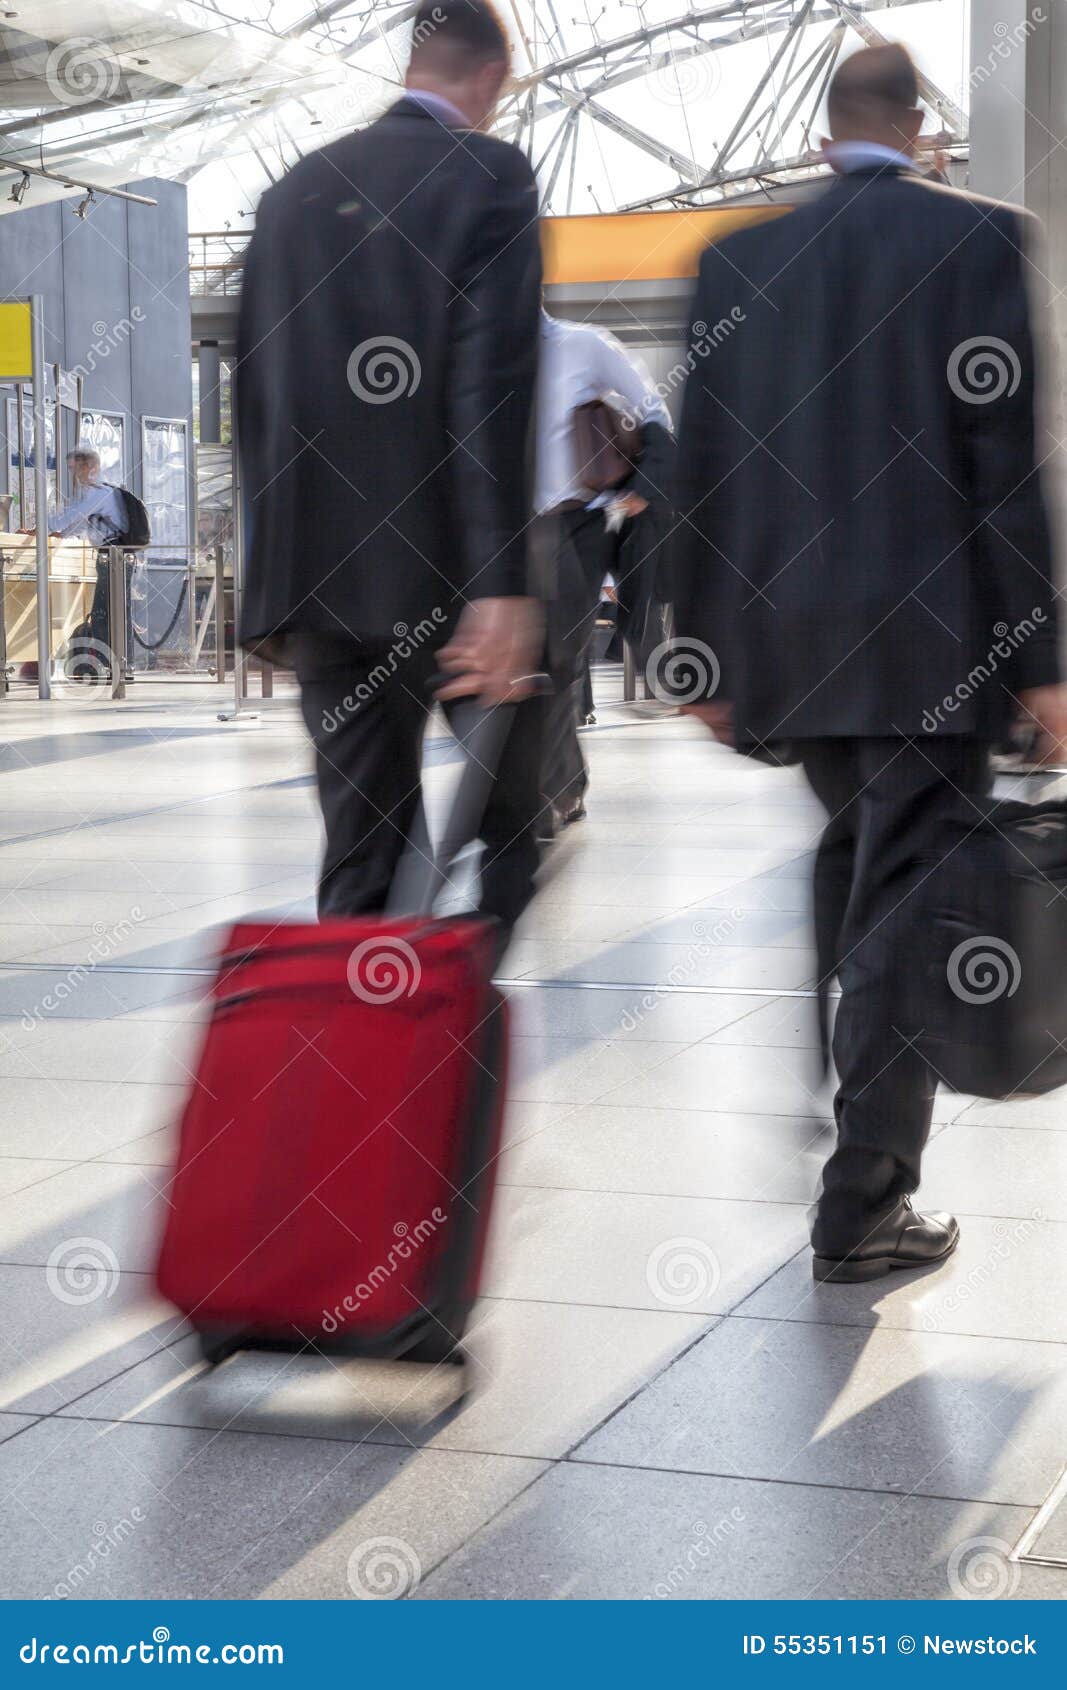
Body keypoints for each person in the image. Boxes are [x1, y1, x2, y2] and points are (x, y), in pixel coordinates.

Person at [672, 43, 1067, 1283]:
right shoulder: (977, 240)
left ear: (825, 128)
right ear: (919, 129)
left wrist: (695, 650)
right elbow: (1004, 464)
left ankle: (838, 1100)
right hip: (930, 647)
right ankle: (860, 1204)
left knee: (863, 865)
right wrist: (1042, 657)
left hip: (792, 651)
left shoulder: (734, 260)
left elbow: (701, 470)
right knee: (897, 903)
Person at [237, 0, 544, 938]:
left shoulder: (294, 190)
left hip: (320, 583)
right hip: (446, 576)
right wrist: (500, 588)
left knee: (361, 853)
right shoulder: (489, 175)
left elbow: (256, 397)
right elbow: (485, 391)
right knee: (519, 823)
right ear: (490, 77)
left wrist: (272, 583)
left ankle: (366, 1060)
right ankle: (446, 1026)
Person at [536, 308, 675, 828]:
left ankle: (557, 789)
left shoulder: (584, 345)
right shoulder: (477, 351)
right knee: (522, 661)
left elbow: (652, 409)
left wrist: (643, 487)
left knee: (559, 658)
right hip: (503, 531)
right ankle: (549, 782)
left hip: (574, 523)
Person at [24, 448, 140, 672]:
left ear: (89, 467)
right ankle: (123, 666)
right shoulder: (105, 492)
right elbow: (80, 523)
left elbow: (72, 516)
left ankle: (109, 666)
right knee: (117, 610)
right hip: (116, 556)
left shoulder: (98, 492)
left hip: (113, 556)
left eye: (74, 468)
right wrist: (54, 534)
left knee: (103, 612)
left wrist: (41, 528)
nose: (73, 473)